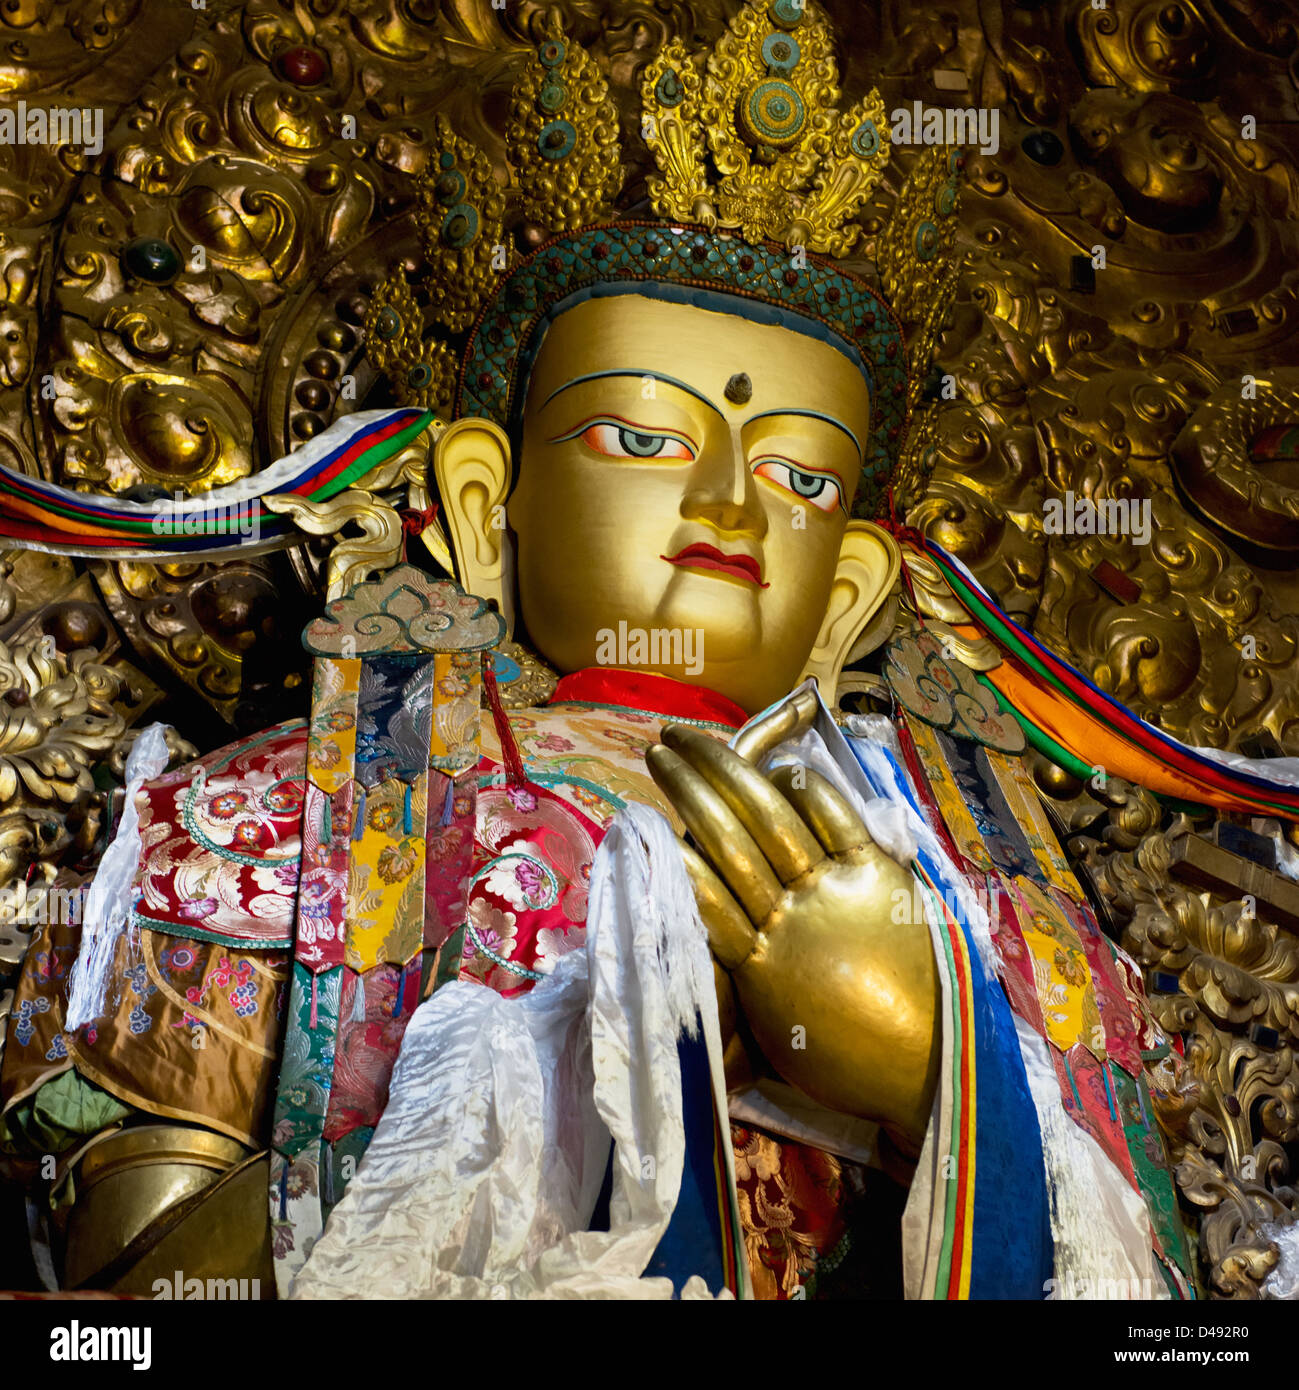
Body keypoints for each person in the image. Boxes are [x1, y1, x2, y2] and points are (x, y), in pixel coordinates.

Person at [0, 1, 1191, 1300]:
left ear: (852, 590)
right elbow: (98, 1326)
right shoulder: (256, 839)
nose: (731, 506)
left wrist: (933, 1067)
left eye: (798, 474)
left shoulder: (1002, 933)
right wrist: (464, 1130)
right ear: (478, 504)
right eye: (643, 437)